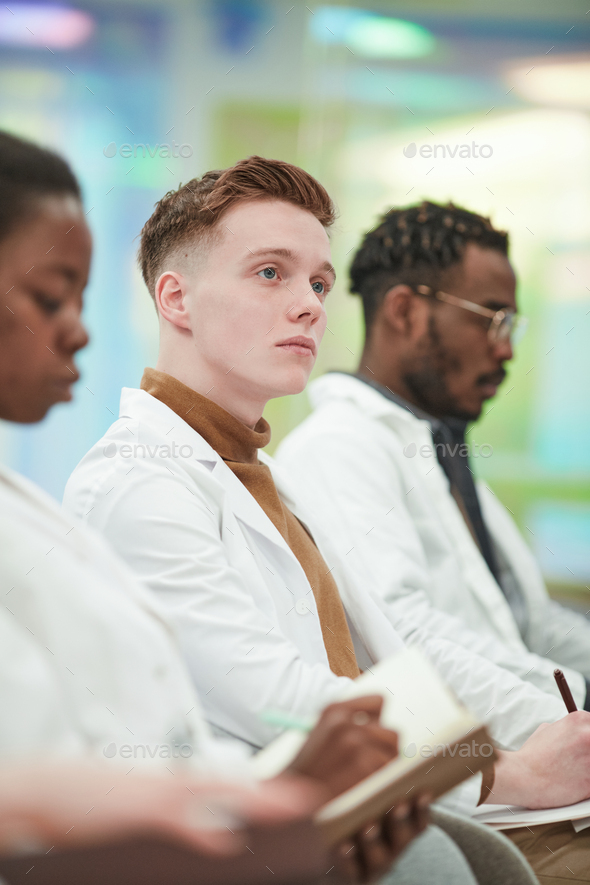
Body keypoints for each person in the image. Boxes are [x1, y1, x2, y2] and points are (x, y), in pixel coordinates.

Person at [0, 128, 514, 885]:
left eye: (317, 284)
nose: (308, 306)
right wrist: (493, 767)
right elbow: (259, 702)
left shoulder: (263, 474)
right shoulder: (139, 483)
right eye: (271, 273)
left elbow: (383, 649)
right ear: (175, 297)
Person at [274, 199, 590, 881]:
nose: (506, 348)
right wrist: (559, 720)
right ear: (406, 312)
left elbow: (528, 621)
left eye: (513, 323)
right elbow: (405, 631)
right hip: (490, 796)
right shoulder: (338, 449)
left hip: (541, 775)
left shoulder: (436, 444)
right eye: (492, 319)